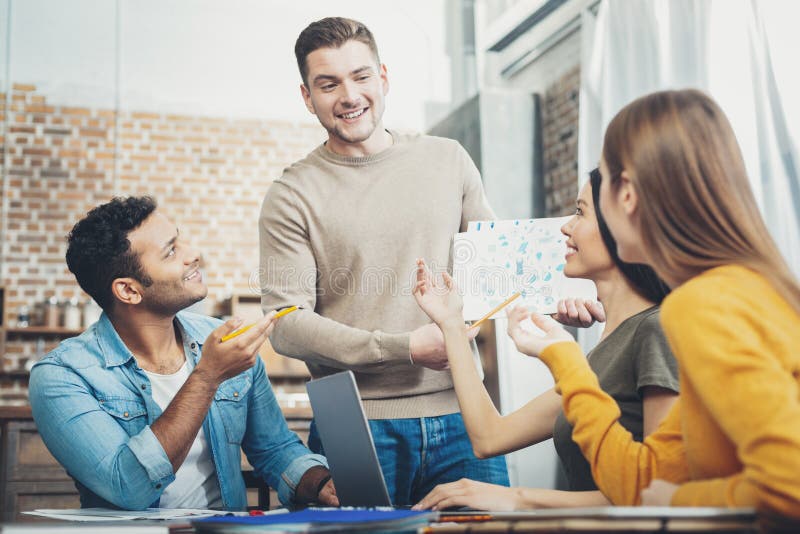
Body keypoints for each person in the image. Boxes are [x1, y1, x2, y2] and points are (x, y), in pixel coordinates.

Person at [425, 89, 800, 517]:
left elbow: (783, 486)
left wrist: (677, 502)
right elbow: (646, 483)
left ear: (627, 195)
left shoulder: (697, 307)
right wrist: (558, 355)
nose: (566, 226)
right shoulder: (744, 293)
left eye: (584, 206)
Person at [258, 16, 508, 505]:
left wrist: (562, 298)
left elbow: (496, 263)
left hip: (466, 412)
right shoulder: (292, 194)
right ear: (308, 97)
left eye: (361, 76)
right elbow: (285, 323)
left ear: (384, 77)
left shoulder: (448, 160)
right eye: (329, 84)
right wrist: (404, 347)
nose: (349, 96)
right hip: (356, 425)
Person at [29, 197, 338, 511]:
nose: (193, 254)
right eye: (170, 252)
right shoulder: (62, 376)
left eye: (180, 241)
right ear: (129, 290)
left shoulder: (224, 341)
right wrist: (207, 377)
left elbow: (275, 449)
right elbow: (128, 486)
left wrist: (320, 483)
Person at [411, 170, 679, 511]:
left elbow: (658, 497)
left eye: (580, 212)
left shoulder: (658, 331)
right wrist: (451, 324)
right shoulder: (605, 351)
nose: (566, 227)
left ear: (622, 229)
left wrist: (515, 497)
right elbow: (488, 437)